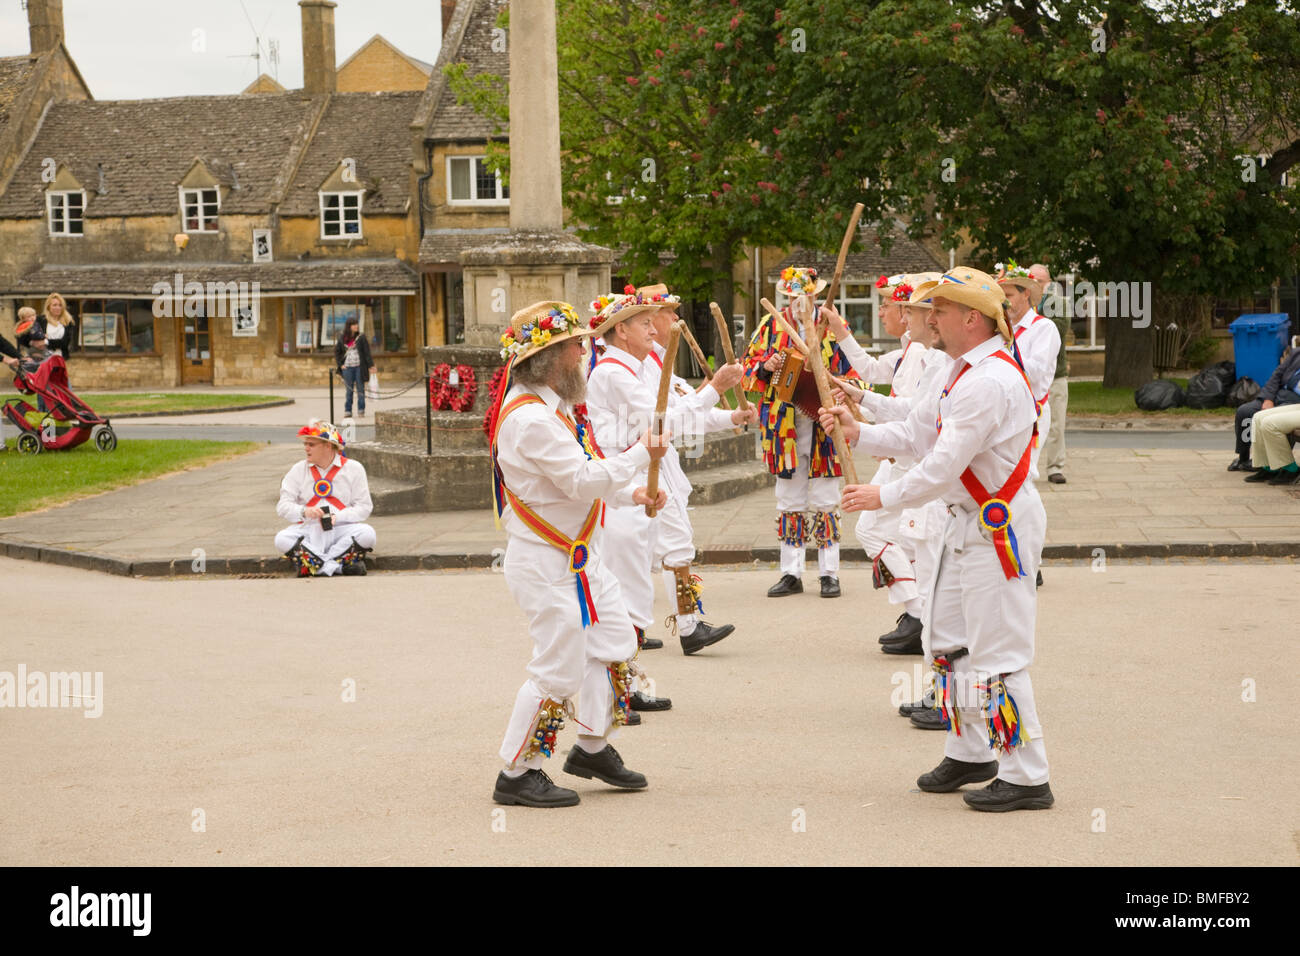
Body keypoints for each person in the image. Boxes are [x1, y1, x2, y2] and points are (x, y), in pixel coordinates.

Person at [821, 266, 1053, 812]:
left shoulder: (990, 380)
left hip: (998, 527)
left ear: (971, 318)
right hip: (964, 521)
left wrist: (883, 497)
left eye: (939, 310)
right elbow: (917, 432)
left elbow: (945, 465)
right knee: (945, 641)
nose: (929, 318)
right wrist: (859, 431)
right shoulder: (956, 371)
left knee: (999, 653)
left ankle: (1027, 774)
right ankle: (971, 750)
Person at [489, 300, 669, 809]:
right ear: (546, 359)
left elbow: (580, 481)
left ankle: (590, 746)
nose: (584, 352)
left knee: (613, 641)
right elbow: (582, 478)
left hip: (579, 558)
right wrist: (643, 454)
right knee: (557, 668)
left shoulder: (555, 407)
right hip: (546, 564)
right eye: (574, 346)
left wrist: (633, 492)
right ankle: (517, 772)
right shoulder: (530, 421)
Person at [637, 284, 754, 647]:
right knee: (665, 546)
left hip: (658, 461)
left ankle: (640, 628)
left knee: (655, 547)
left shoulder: (658, 361)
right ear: (647, 319)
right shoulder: (635, 366)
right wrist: (716, 387)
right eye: (668, 312)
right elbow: (665, 420)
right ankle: (682, 628)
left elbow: (690, 414)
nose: (675, 318)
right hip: (641, 465)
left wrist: (730, 414)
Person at [741, 266, 861, 598]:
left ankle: (829, 573)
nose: (800, 302)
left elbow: (855, 371)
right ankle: (791, 572)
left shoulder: (832, 327)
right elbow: (746, 369)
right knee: (789, 499)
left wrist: (842, 389)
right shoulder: (769, 326)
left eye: (806, 296)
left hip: (825, 425)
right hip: (784, 426)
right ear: (786, 297)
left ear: (816, 295)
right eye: (794, 297)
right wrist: (765, 367)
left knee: (826, 498)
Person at [274, 420, 376, 576]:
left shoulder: (354, 468)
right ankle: (338, 568)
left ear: (328, 446)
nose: (306, 448)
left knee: (368, 534)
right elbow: (283, 506)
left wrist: (338, 516)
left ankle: (316, 566)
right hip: (309, 529)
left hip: (341, 529)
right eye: (305, 444)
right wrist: (305, 511)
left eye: (311, 444)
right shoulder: (298, 469)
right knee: (281, 539)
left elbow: (364, 507)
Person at [1231, 346, 1300, 473]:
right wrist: (1268, 398)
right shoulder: (1296, 353)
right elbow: (1276, 376)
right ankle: (1243, 458)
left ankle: (1277, 464)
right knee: (1245, 412)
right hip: (1278, 395)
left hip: (1294, 403)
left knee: (1272, 421)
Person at [1031, 263, 1069, 484]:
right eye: (1033, 281)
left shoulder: (1058, 303)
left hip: (1056, 374)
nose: (1037, 285)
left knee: (1056, 424)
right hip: (1027, 377)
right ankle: (1027, 468)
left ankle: (1055, 467)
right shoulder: (1020, 307)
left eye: (1041, 281)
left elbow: (1059, 329)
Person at [333, 317, 375, 418]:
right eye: (354, 324)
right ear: (349, 326)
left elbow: (367, 353)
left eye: (357, 324)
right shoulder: (342, 338)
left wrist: (371, 365)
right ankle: (348, 410)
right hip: (347, 368)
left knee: (360, 389)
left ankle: (361, 410)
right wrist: (340, 364)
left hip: (359, 367)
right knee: (349, 390)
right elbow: (337, 352)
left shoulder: (361, 337)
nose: (356, 326)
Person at [18, 294, 76, 362]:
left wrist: (45, 342)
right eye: (54, 305)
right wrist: (32, 342)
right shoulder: (40, 320)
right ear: (48, 306)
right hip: (39, 358)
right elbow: (21, 336)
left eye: (60, 305)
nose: (58, 308)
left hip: (59, 359)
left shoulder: (68, 322)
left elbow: (65, 343)